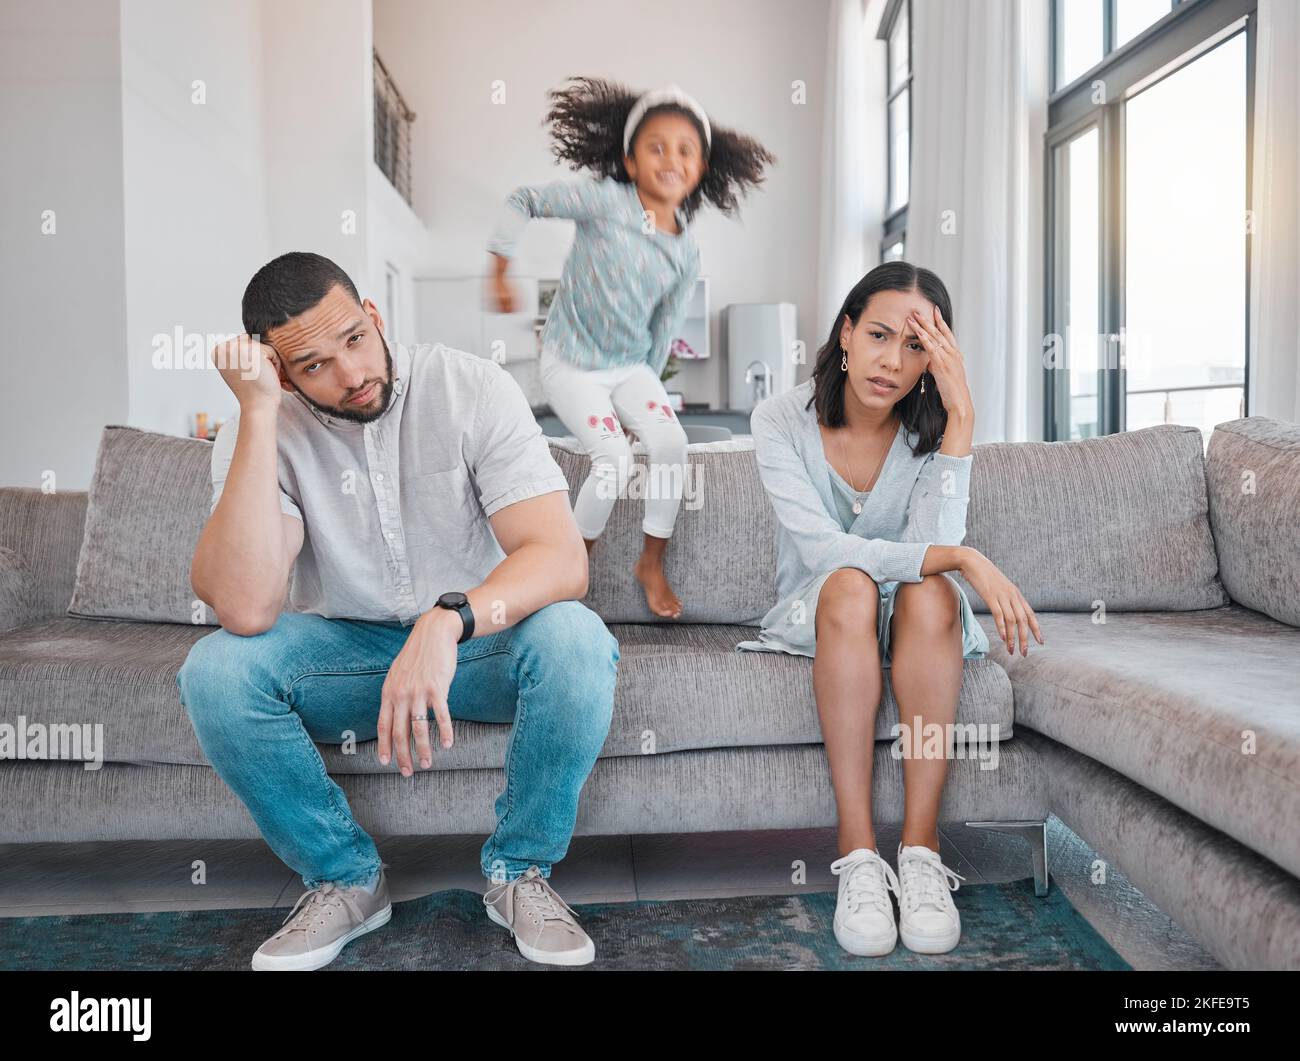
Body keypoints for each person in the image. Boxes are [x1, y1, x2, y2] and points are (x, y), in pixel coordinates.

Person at [177, 251, 619, 970]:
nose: (351, 375)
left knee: (575, 638)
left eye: (354, 338)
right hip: (345, 657)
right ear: (281, 373)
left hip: (476, 646)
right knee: (217, 670)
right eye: (314, 365)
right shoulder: (261, 427)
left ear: (375, 317)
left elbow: (561, 559)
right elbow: (247, 606)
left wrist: (447, 619)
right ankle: (345, 878)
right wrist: (257, 412)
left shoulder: (469, 386)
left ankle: (518, 872)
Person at [736, 261, 1043, 957]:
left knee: (931, 586)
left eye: (914, 347)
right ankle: (859, 859)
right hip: (822, 607)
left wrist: (961, 416)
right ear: (846, 331)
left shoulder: (930, 426)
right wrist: (962, 559)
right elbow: (824, 549)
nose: (890, 361)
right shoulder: (779, 419)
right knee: (850, 578)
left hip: (916, 615)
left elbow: (929, 548)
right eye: (877, 334)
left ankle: (922, 854)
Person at [487, 76, 775, 618]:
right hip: (570, 364)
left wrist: (636, 401)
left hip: (627, 370)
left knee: (671, 445)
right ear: (630, 160)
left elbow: (663, 330)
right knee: (614, 460)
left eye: (685, 150)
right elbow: (523, 199)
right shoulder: (605, 202)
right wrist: (500, 267)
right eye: (657, 147)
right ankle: (568, 563)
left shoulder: (685, 253)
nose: (671, 158)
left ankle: (650, 561)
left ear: (701, 169)